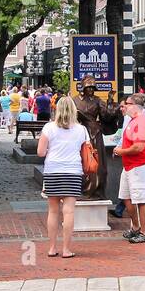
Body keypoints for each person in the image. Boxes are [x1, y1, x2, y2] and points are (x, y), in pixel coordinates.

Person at [37, 96, 90, 259]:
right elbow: (87, 151)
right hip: (73, 171)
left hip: (53, 171)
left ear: (57, 109)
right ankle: (66, 249)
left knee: (53, 211)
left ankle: (52, 248)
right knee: (69, 212)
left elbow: (40, 152)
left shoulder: (49, 127)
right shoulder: (81, 130)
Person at [114, 93, 145, 244]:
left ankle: (143, 232)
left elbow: (139, 147)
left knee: (141, 200)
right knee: (126, 197)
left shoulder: (141, 121)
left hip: (140, 165)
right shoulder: (133, 121)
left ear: (136, 106)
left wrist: (121, 151)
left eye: (127, 104)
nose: (123, 106)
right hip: (130, 165)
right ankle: (136, 227)